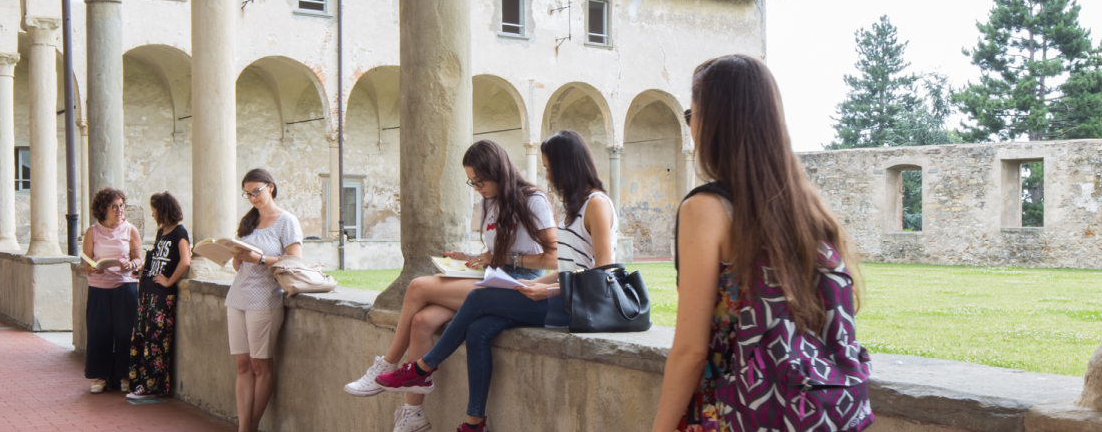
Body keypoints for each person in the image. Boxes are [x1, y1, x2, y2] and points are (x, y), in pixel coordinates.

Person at [653, 55, 868, 431]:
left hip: (731, 415)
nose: (691, 126)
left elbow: (691, 350)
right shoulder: (807, 211)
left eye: (692, 113)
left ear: (712, 121)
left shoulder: (706, 210)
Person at [372, 131, 612, 432]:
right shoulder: (574, 209)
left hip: (583, 306)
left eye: (550, 168)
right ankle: (474, 424)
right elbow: (568, 267)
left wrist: (546, 288)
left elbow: (603, 272)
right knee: (478, 328)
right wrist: (540, 286)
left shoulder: (597, 204)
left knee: (480, 296)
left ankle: (423, 367)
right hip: (562, 296)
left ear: (568, 166)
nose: (547, 175)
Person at [345, 139, 557, 432]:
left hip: (520, 283)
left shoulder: (533, 199)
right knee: (421, 320)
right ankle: (412, 414)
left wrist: (510, 259)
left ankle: (388, 364)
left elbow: (554, 257)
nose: (477, 188)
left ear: (498, 172)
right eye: (471, 182)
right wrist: (473, 258)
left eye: (480, 181)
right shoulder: (490, 200)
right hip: (492, 276)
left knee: (418, 287)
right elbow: (498, 252)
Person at [224, 169, 303, 432]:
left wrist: (260, 259)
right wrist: (237, 258)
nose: (252, 197)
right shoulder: (249, 221)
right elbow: (240, 266)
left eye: (256, 191)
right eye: (247, 194)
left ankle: (250, 427)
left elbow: (295, 261)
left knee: (260, 365)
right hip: (237, 298)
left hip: (265, 299)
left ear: (271, 187)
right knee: (242, 365)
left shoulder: (286, 221)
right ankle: (243, 427)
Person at [126, 192, 192, 399]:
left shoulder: (179, 232)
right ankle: (139, 382)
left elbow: (185, 260)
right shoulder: (162, 232)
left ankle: (153, 386)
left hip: (162, 296)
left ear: (163, 209)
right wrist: (142, 271)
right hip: (147, 292)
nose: (152, 213)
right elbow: (157, 260)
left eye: (154, 209)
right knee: (142, 337)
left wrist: (169, 281)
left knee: (156, 339)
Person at [81, 188, 142, 394]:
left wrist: (130, 266)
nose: (119, 210)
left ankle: (124, 376)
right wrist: (90, 267)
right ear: (102, 209)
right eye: (114, 206)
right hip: (99, 287)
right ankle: (99, 377)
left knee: (125, 333)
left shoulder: (130, 229)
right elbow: (86, 258)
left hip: (125, 286)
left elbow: (138, 259)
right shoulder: (92, 231)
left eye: (121, 205)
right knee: (99, 332)